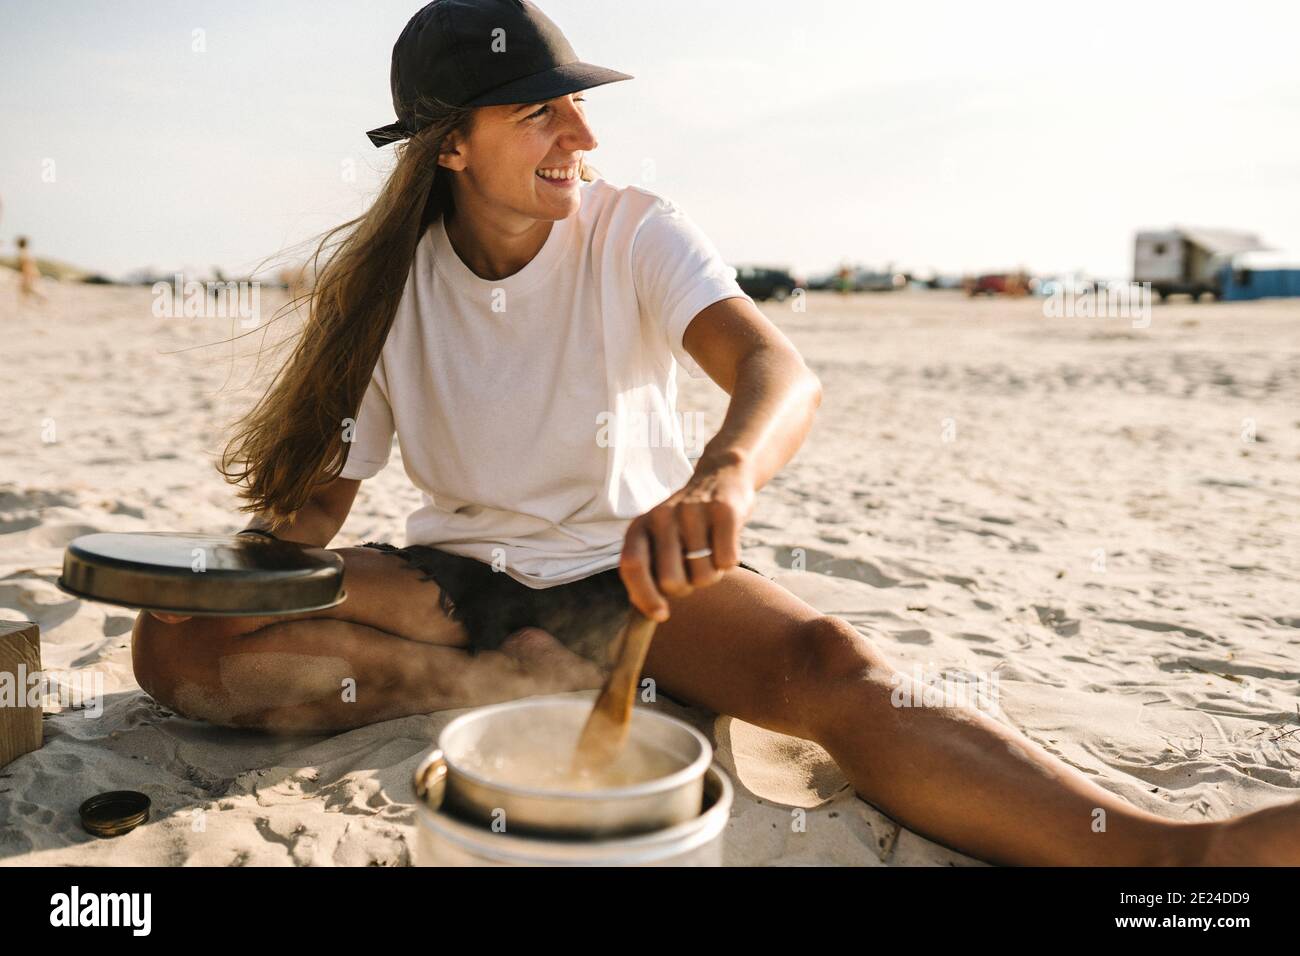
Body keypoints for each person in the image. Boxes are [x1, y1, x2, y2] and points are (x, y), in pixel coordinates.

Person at [131, 0, 1299, 866]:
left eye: (576, 104)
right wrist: (225, 573)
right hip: (451, 582)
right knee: (172, 646)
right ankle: (485, 681)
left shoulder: (634, 231)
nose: (579, 136)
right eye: (541, 110)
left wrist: (724, 473)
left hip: (639, 571)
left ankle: (1162, 854)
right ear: (450, 145)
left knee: (832, 664)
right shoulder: (384, 288)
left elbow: (772, 365)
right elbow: (320, 505)